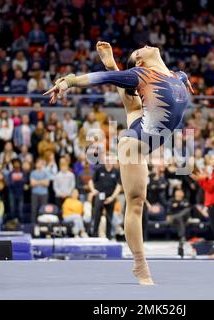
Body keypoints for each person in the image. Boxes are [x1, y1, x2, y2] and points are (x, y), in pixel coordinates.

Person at [45, 42, 192, 285]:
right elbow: (102, 78)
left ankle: (112, 61)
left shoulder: (176, 75)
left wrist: (184, 80)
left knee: (134, 108)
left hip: (144, 132)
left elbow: (174, 81)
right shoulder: (141, 73)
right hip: (133, 145)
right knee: (136, 204)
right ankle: (140, 265)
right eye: (138, 51)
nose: (144, 45)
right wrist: (69, 81)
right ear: (141, 62)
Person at [191, 153, 214, 257]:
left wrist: (201, 179)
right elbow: (207, 186)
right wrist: (201, 179)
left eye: (213, 158)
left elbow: (210, 188)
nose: (211, 160)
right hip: (212, 203)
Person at [88, 161, 122, 240]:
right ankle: (94, 235)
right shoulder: (99, 169)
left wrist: (112, 197)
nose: (108, 162)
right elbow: (90, 181)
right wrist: (93, 190)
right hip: (100, 196)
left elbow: (118, 186)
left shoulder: (116, 172)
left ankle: (108, 237)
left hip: (110, 197)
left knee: (109, 217)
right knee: (96, 216)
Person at [30, 159, 49, 225]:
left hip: (44, 193)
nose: (40, 165)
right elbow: (32, 184)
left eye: (41, 163)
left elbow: (46, 183)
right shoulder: (33, 172)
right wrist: (41, 181)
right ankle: (33, 224)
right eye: (38, 163)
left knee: (43, 210)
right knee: (34, 209)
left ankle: (43, 224)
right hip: (35, 193)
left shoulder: (45, 172)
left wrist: (37, 182)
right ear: (36, 164)